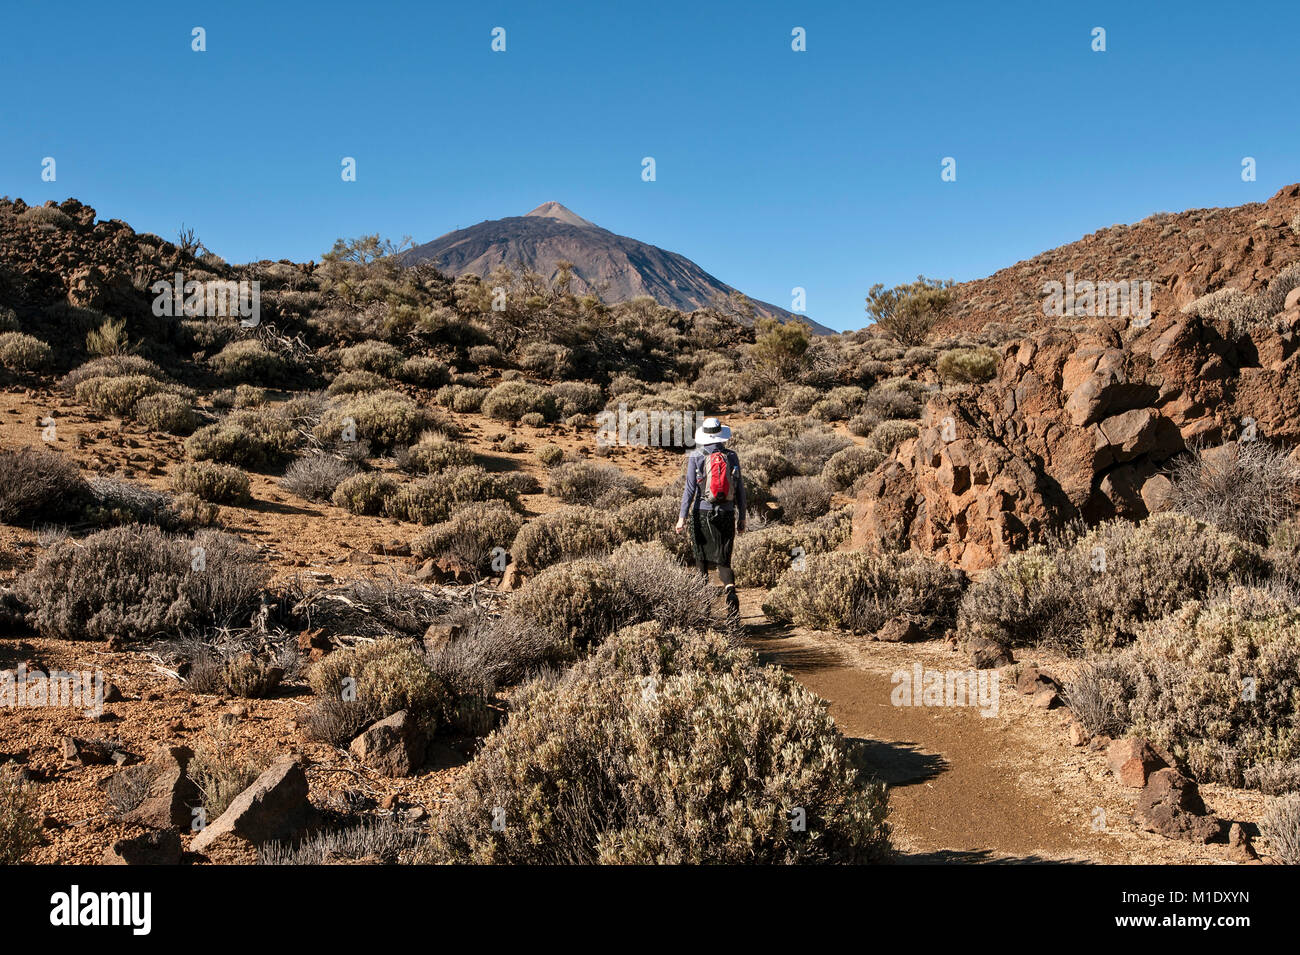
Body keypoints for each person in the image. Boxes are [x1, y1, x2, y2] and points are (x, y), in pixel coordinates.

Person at [676, 416, 746, 617]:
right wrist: (742, 517)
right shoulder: (732, 456)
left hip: (702, 513)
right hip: (726, 513)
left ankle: (705, 610)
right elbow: (740, 490)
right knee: (724, 562)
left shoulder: (696, 456)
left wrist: (682, 517)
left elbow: (689, 490)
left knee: (701, 561)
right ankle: (731, 594)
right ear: (721, 435)